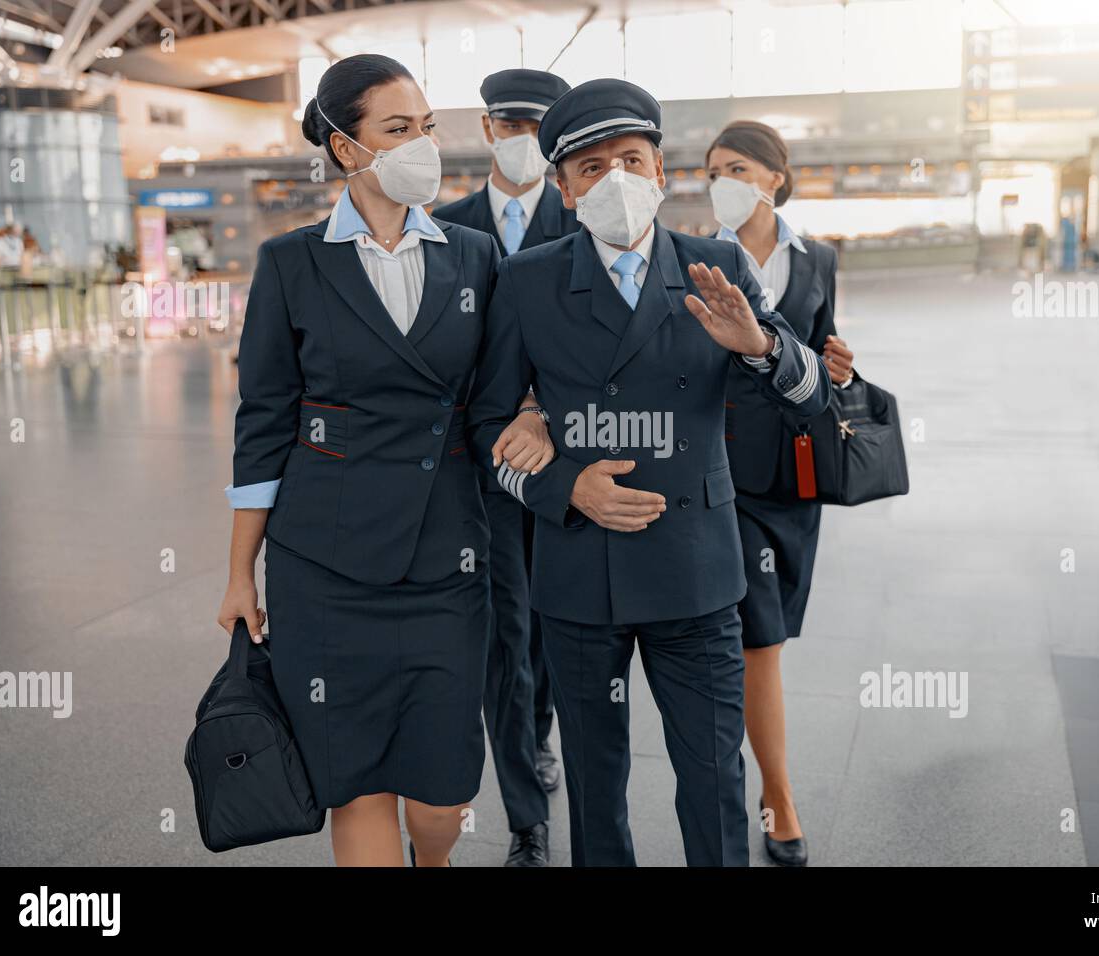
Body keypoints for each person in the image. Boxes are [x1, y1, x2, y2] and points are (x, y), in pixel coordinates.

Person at [467, 79, 832, 867]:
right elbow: (485, 429)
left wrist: (761, 348)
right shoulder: (527, 280)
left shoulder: (716, 263)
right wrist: (566, 486)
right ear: (563, 188)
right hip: (576, 575)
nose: (617, 181)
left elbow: (809, 398)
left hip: (696, 572)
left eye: (631, 160)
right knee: (597, 789)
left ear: (661, 172)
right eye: (592, 168)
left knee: (712, 778)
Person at [215, 54, 552, 867]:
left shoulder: (474, 258)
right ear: (344, 147)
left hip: (447, 562)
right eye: (398, 130)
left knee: (443, 797)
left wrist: (536, 414)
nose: (421, 145)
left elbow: (505, 391)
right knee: (355, 785)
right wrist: (238, 574)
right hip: (324, 568)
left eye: (427, 127)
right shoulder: (290, 264)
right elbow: (262, 423)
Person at [432, 68, 577, 866]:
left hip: (563, 465)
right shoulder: (447, 227)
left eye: (537, 124)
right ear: (487, 130)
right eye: (509, 123)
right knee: (504, 640)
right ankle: (527, 814)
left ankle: (541, 730)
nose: (521, 137)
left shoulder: (584, 220)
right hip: (483, 471)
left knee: (555, 627)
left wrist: (547, 414)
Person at [705, 120, 856, 866]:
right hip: (717, 475)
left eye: (735, 168)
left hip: (793, 479)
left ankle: (757, 789)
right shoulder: (697, 255)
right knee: (755, 642)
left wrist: (841, 369)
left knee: (764, 639)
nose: (720, 182)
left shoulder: (819, 259)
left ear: (773, 176)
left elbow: (824, 357)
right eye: (710, 171)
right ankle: (777, 798)